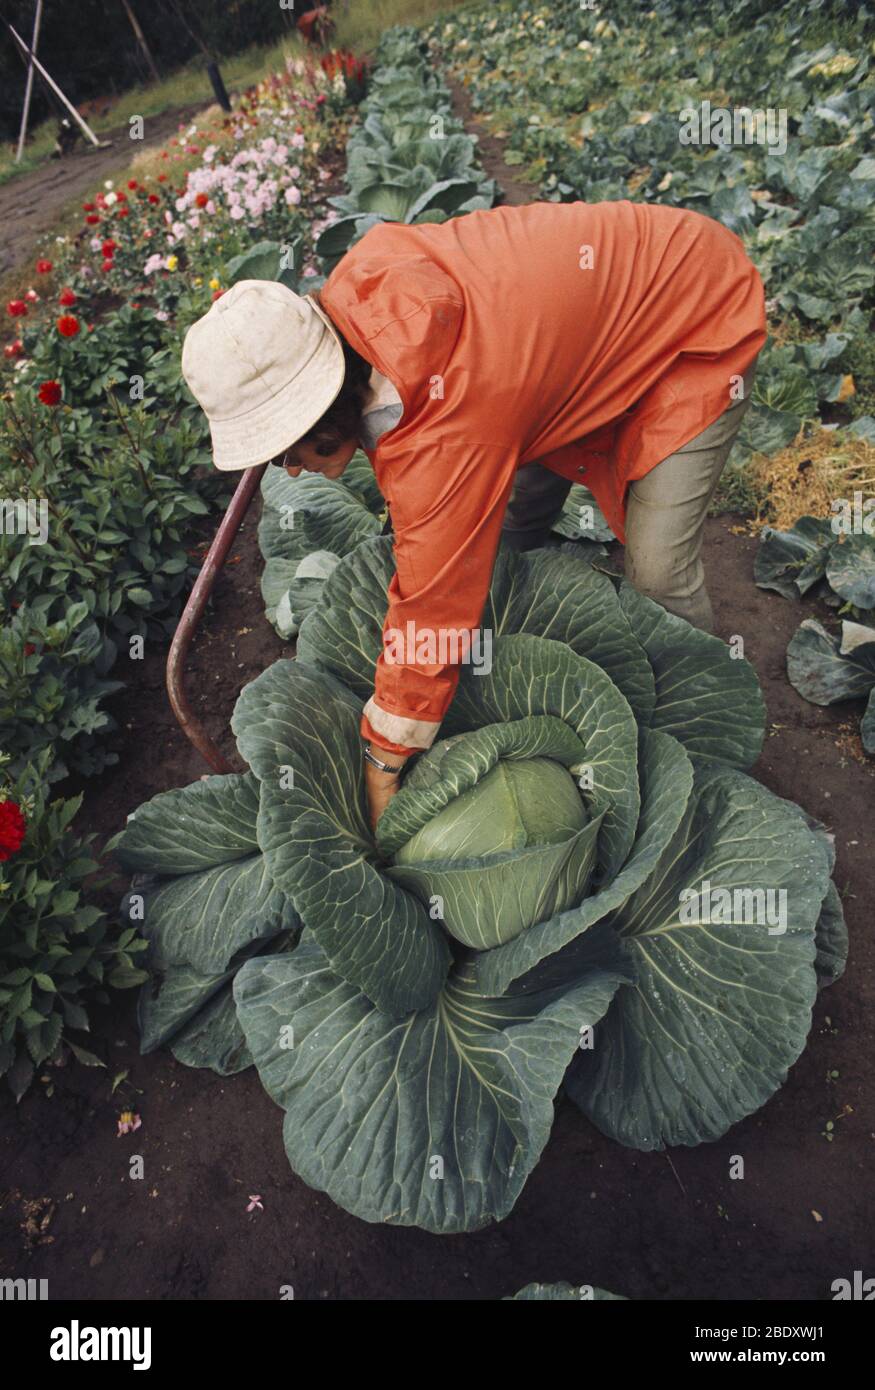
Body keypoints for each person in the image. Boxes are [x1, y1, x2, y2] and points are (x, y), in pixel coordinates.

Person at [182, 201, 765, 829]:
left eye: (290, 445)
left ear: (326, 405)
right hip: (575, 336)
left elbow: (432, 608)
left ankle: (701, 740)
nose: (290, 468)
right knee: (513, 496)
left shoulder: (443, 428)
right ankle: (519, 579)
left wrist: (383, 764)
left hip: (694, 317)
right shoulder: (363, 293)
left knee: (658, 575)